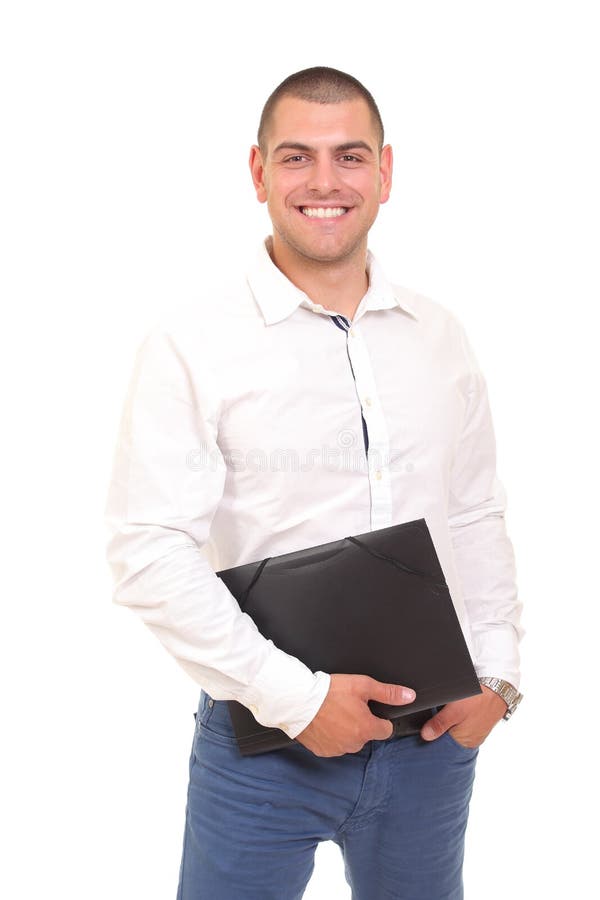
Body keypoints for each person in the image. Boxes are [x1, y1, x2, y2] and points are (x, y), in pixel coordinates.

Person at [105, 66, 524, 900]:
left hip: (433, 746)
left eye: (350, 157)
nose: (325, 182)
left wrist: (501, 681)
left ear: (386, 172)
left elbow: (474, 512)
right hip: (265, 751)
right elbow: (147, 551)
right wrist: (295, 701)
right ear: (258, 173)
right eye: (296, 158)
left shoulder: (439, 337)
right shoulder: (192, 342)